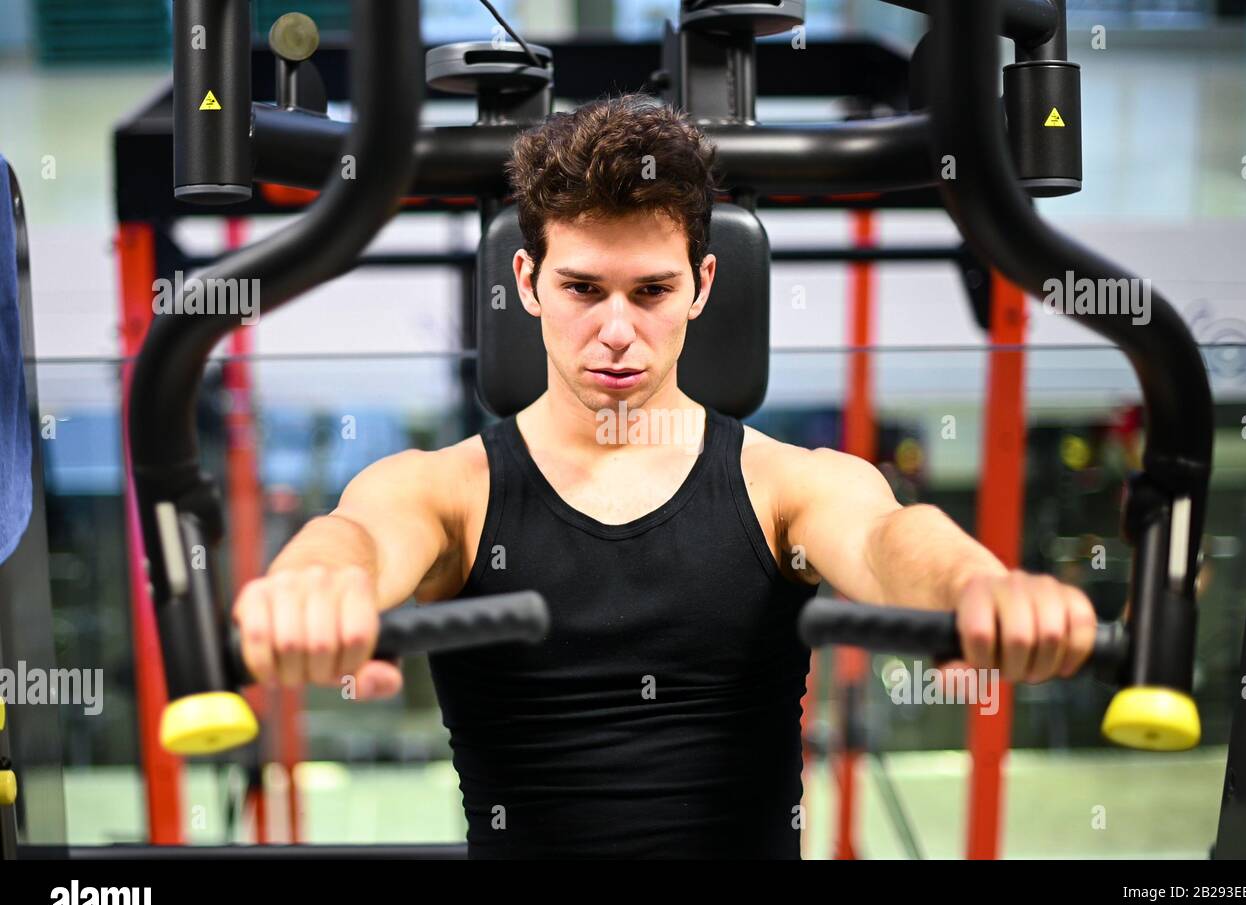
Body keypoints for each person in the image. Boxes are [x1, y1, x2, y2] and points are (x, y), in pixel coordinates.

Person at [232, 93, 1097, 859]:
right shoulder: (447, 492)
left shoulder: (782, 485)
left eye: (650, 291)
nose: (616, 331)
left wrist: (975, 585)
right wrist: (314, 585)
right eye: (583, 289)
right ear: (526, 283)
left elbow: (888, 535)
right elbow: (354, 538)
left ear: (702, 285)